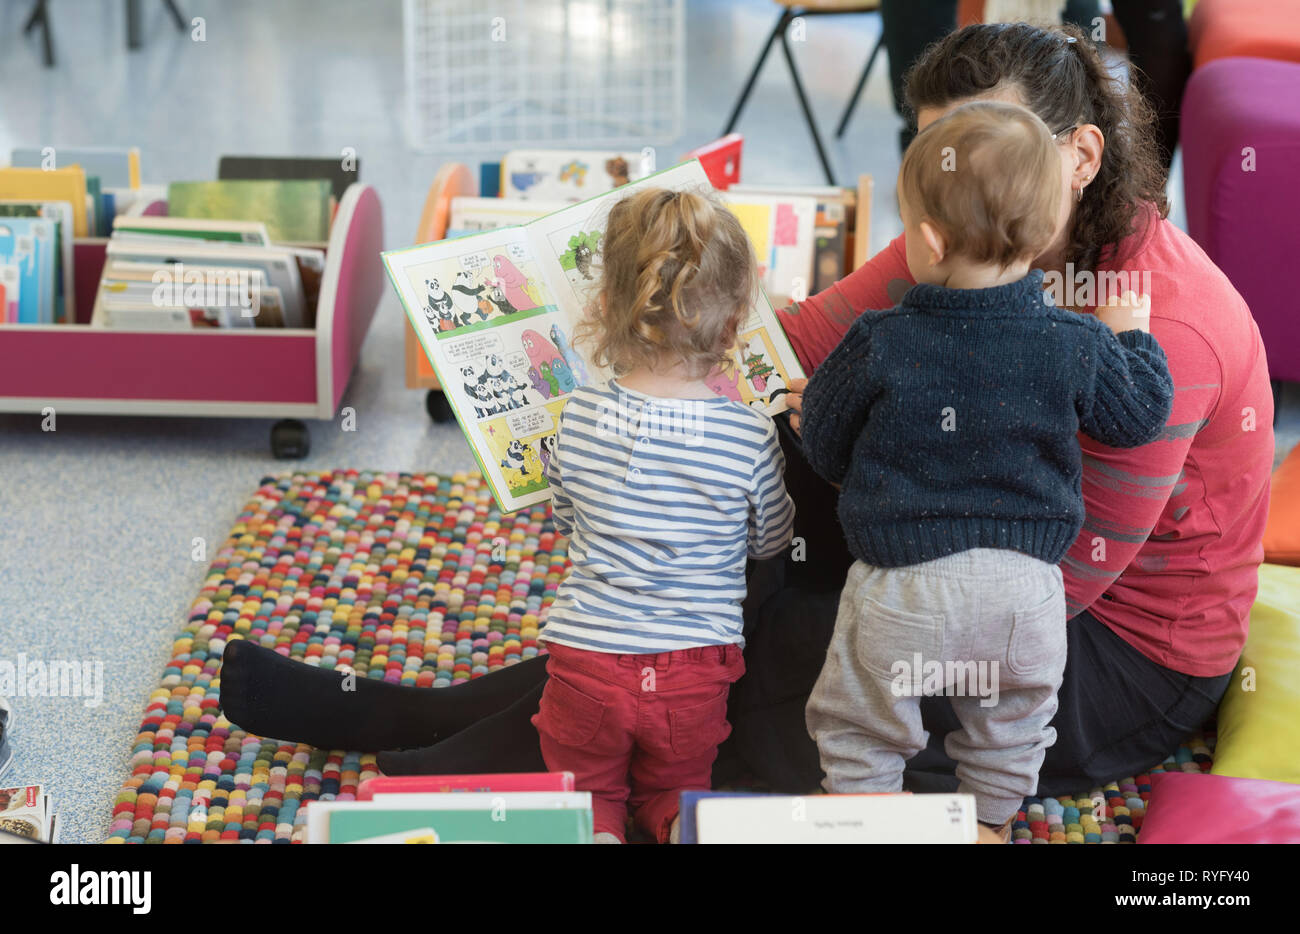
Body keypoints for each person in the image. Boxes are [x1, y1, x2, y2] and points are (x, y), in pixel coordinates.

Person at [220, 23, 1272, 805]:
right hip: (979, 544)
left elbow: (1058, 586)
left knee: (798, 661)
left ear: (1075, 159)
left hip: (1100, 652)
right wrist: (673, 323)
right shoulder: (977, 215)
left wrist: (851, 574)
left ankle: (454, 766)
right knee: (735, 543)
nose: (929, 203)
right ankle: (493, 708)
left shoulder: (1154, 327)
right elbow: (799, 342)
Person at [799, 100, 1173, 841]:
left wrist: (822, 410)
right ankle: (990, 823)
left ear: (929, 239)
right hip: (1025, 595)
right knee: (1012, 723)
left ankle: (867, 818)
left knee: (860, 723)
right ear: (1041, 236)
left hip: (900, 589)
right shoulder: (1074, 340)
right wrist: (1131, 339)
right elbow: (1137, 418)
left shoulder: (880, 339)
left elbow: (823, 446)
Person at [531, 186, 794, 843]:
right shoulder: (747, 434)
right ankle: (678, 826)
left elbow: (569, 514)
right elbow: (773, 538)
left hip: (585, 662)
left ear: (604, 308)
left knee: (587, 797)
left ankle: (597, 832)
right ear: (733, 328)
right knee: (675, 791)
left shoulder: (579, 416)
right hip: (691, 672)